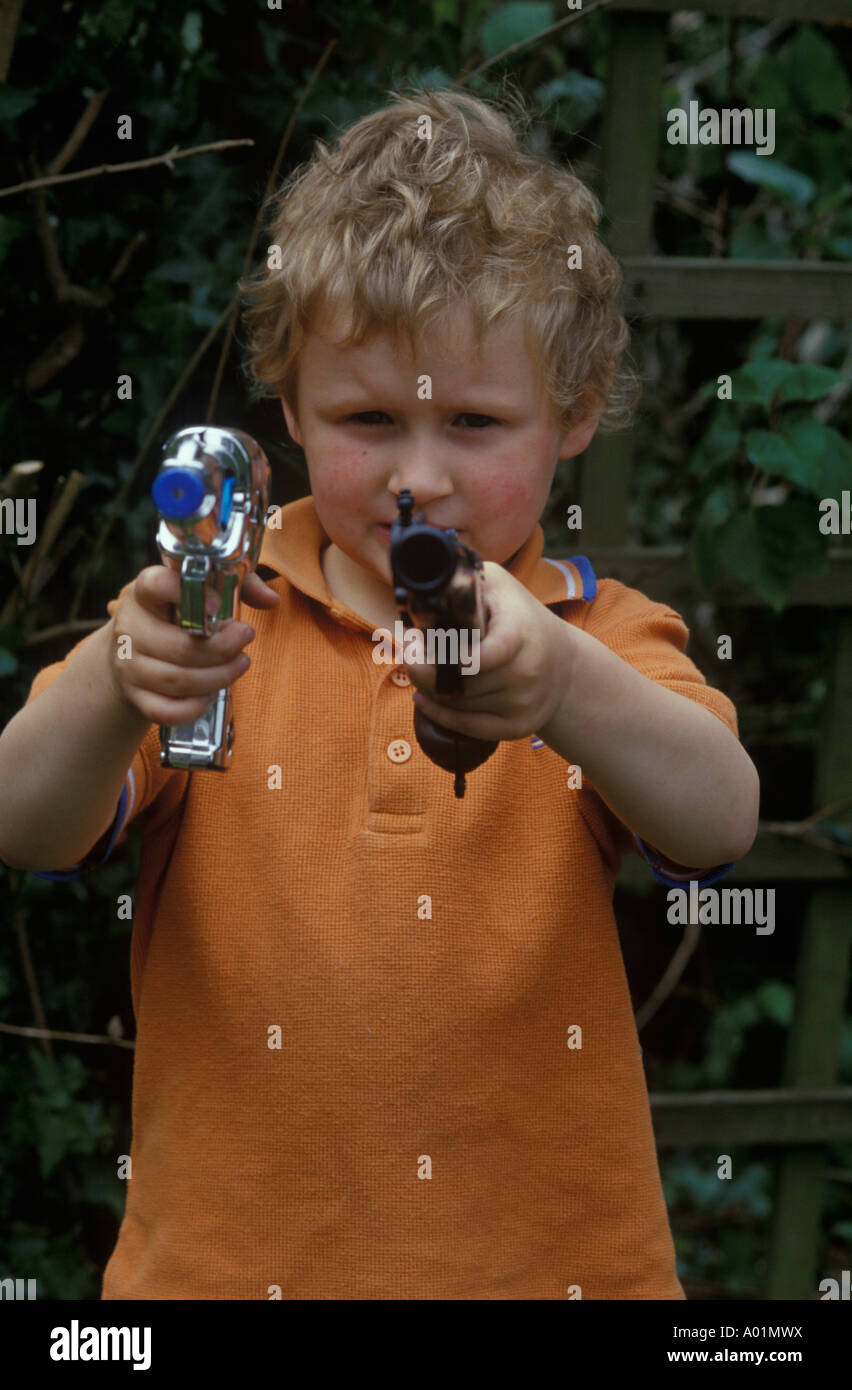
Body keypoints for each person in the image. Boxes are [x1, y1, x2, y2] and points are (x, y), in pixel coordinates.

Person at [0, 88, 759, 1300]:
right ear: (287, 403)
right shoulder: (216, 606)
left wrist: (558, 681)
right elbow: (24, 822)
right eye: (366, 418)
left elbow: (720, 818)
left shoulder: (592, 633)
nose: (420, 478)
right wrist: (118, 677)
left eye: (473, 420)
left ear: (571, 414)